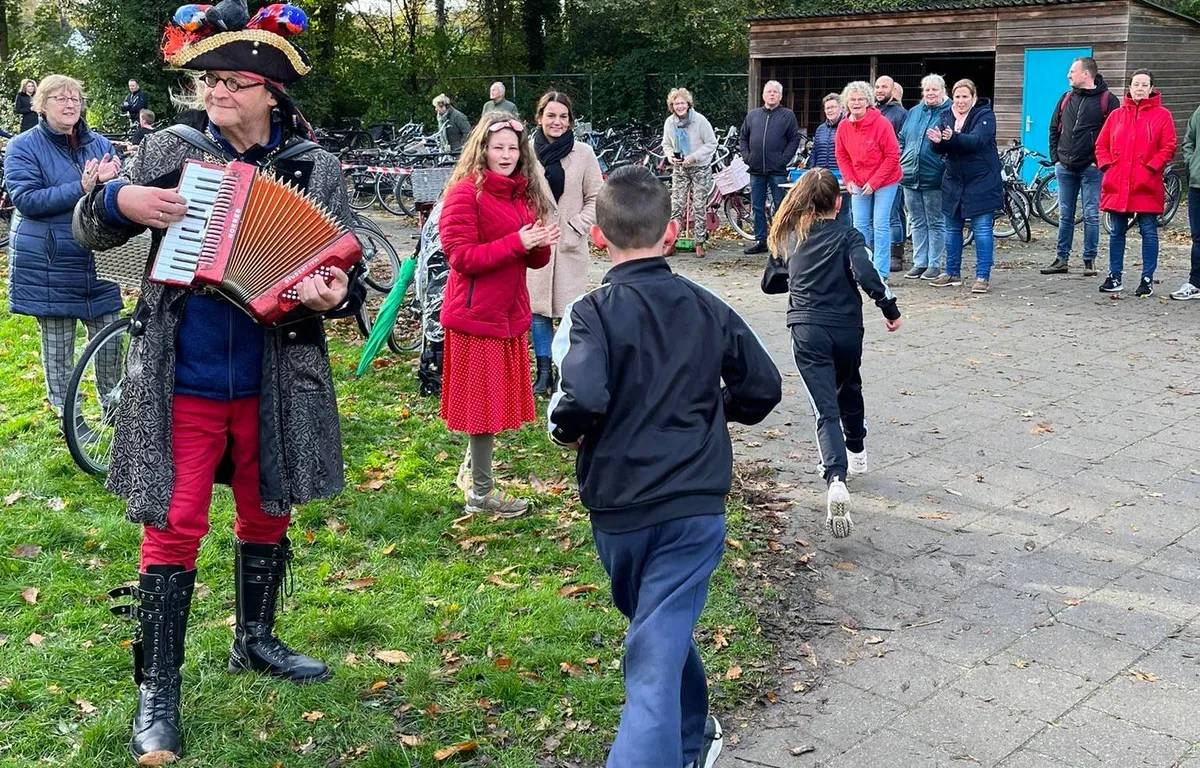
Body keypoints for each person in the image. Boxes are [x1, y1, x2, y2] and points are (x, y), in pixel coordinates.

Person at [72, 2, 367, 761]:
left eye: (233, 83)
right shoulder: (169, 149)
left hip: (278, 374)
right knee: (172, 523)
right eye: (208, 81)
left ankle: (256, 638)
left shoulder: (315, 167)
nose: (215, 94)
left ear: (271, 93)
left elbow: (342, 270)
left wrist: (339, 296)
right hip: (186, 372)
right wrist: (117, 199)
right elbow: (92, 230)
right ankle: (157, 687)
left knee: (268, 508)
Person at [549, 164, 781, 768]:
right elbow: (762, 388)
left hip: (621, 507)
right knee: (658, 630)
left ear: (599, 238)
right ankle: (690, 735)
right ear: (672, 232)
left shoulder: (589, 313)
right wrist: (714, 411)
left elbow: (580, 400)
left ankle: (665, 748)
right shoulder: (708, 307)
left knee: (651, 650)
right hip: (691, 503)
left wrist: (567, 431)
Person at [768, 168, 900, 538]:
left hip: (807, 328)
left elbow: (770, 282)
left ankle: (836, 478)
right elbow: (867, 274)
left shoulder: (789, 236)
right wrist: (889, 309)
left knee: (824, 407)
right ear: (838, 203)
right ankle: (857, 450)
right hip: (846, 328)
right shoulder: (849, 235)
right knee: (850, 386)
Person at [440, 112, 558, 517]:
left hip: (508, 315)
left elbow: (534, 260)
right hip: (476, 317)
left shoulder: (520, 194)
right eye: (498, 147)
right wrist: (517, 241)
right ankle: (480, 496)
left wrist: (541, 242)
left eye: (513, 147)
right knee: (482, 410)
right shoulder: (463, 194)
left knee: (490, 406)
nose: (506, 154)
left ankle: (474, 473)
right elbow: (460, 257)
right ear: (483, 148)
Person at [5, 75, 121, 428]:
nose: (70, 104)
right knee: (58, 345)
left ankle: (114, 408)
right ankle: (69, 417)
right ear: (41, 105)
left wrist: (114, 181)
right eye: (59, 98)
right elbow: (26, 199)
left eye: (75, 98)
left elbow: (119, 192)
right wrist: (81, 188)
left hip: (99, 256)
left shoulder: (100, 143)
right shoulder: (22, 146)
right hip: (49, 259)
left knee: (110, 338)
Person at [527, 91, 602, 395]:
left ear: (570, 121)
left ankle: (565, 371)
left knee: (570, 313)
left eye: (563, 117)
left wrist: (575, 226)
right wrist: (529, 230)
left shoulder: (583, 154)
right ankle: (543, 371)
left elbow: (597, 198)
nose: (556, 122)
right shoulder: (526, 152)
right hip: (536, 244)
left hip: (571, 245)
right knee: (538, 311)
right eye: (551, 115)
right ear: (539, 117)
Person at [1095, 70, 1175, 297]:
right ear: (1129, 87)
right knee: (1116, 231)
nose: (1139, 88)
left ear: (1151, 89)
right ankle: (1114, 276)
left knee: (1148, 231)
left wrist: (1152, 167)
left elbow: (1168, 146)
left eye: (1144, 84)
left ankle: (1147, 278)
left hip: (1146, 183)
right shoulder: (1117, 115)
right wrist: (1107, 166)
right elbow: (1101, 145)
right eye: (1136, 84)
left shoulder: (1163, 115)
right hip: (1118, 182)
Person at [1042, 56, 1118, 276]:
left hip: (1091, 169)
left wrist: (1098, 162)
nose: (1068, 75)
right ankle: (1061, 259)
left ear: (1086, 74)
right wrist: (1055, 158)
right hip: (1065, 166)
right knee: (1065, 215)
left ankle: (1089, 260)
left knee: (1091, 214)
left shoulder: (1108, 100)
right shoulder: (1066, 98)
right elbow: (1054, 128)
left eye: (1072, 71)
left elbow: (1114, 135)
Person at [928, 79, 1003, 294]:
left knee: (981, 229)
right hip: (953, 181)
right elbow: (942, 149)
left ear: (974, 98)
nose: (960, 101)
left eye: (965, 97)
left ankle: (982, 276)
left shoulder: (985, 116)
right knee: (951, 228)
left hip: (982, 181)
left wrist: (953, 137)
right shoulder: (946, 116)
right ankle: (952, 272)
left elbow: (976, 141)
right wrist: (936, 142)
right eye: (957, 96)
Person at [834, 80, 901, 282]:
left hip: (885, 179)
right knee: (860, 225)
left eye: (860, 99)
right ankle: (862, 267)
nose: (856, 103)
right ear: (846, 103)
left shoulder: (881, 123)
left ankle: (880, 272)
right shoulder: (843, 126)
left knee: (880, 224)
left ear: (868, 102)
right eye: (852, 99)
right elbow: (841, 155)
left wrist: (875, 182)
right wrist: (849, 180)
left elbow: (892, 155)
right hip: (858, 181)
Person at [898, 74, 951, 280]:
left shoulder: (949, 112)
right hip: (910, 175)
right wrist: (903, 159)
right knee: (917, 220)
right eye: (927, 90)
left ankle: (934, 264)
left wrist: (943, 164)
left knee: (936, 221)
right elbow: (902, 138)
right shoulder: (914, 112)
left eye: (934, 90)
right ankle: (920, 262)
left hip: (935, 177)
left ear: (943, 90)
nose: (930, 93)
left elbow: (951, 142)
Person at [739, 80, 800, 255]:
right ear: (763, 95)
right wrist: (747, 157)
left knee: (781, 206)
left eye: (775, 92)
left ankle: (782, 240)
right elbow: (743, 137)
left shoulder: (787, 115)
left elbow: (794, 139)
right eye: (769, 92)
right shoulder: (753, 115)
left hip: (778, 170)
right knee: (757, 206)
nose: (771, 94)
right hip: (756, 169)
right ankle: (760, 240)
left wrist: (784, 159)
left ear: (780, 96)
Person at [661, 87, 718, 257]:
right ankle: (672, 242)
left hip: (700, 167)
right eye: (676, 103)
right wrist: (671, 157)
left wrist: (694, 157)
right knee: (676, 206)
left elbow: (711, 143)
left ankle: (699, 242)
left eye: (682, 103)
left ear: (688, 104)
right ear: (672, 106)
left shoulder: (700, 121)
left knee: (699, 205)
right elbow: (666, 145)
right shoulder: (669, 123)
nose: (679, 106)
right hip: (680, 168)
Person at [875, 75, 908, 272]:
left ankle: (896, 254)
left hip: (892, 172)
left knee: (894, 214)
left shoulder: (900, 114)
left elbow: (903, 143)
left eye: (884, 87)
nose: (879, 90)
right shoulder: (872, 112)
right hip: (871, 173)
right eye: (877, 86)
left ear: (892, 90)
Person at [808, 92, 851, 224]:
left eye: (833, 107)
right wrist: (811, 170)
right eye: (827, 108)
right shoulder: (820, 129)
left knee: (843, 210)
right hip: (822, 176)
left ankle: (845, 239)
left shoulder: (848, 126)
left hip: (841, 176)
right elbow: (815, 151)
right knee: (822, 210)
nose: (830, 110)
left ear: (841, 108)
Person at [1174, 101, 1200, 300]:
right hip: (1197, 184)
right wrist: (1191, 162)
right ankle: (1195, 283)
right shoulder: (1199, 112)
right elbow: (1188, 141)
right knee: (1198, 237)